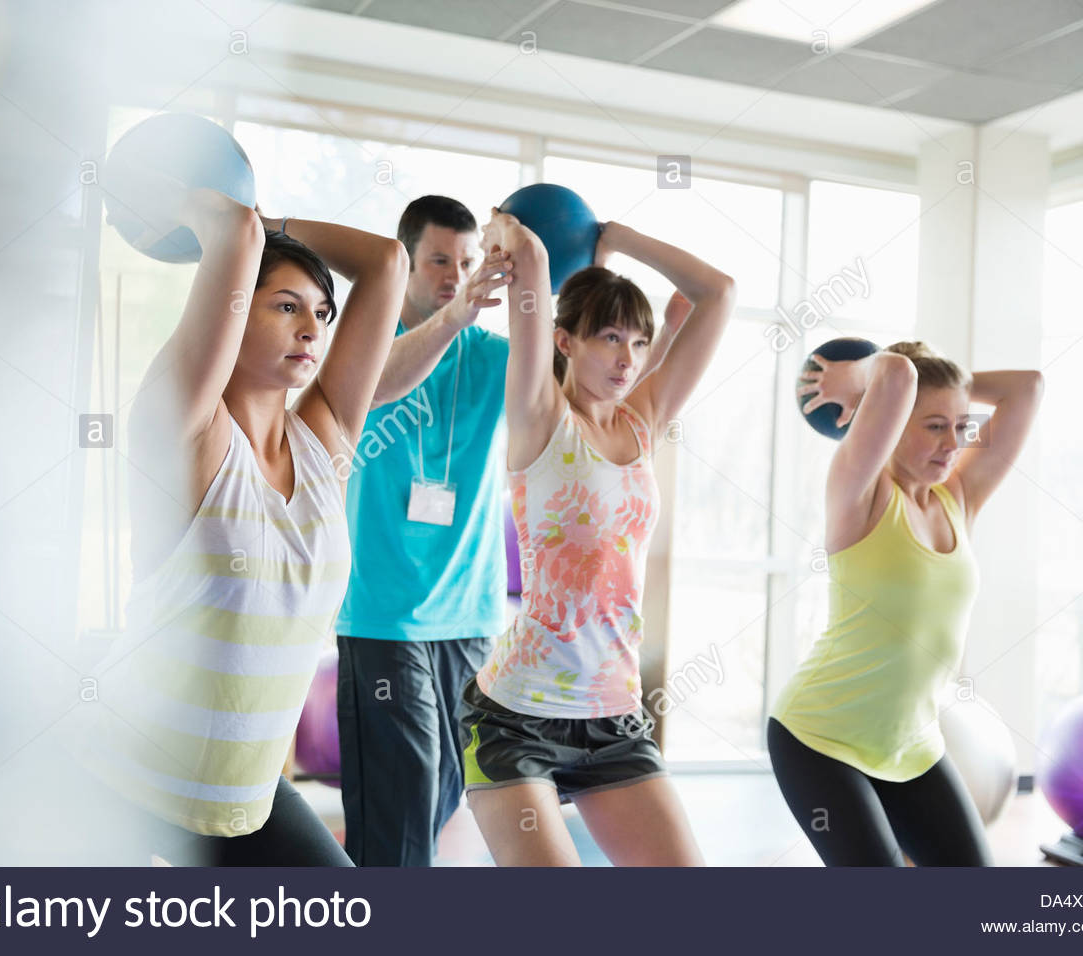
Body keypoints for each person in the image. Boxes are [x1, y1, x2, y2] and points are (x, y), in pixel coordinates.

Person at [85, 180, 408, 866]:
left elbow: (387, 263)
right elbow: (232, 231)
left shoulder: (326, 445)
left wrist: (275, 225)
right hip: (121, 789)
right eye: (286, 306)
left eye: (322, 312)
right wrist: (194, 204)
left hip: (246, 801)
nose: (313, 328)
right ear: (232, 315)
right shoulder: (185, 431)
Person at [457, 209, 736, 866]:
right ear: (565, 342)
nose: (626, 358)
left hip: (615, 717)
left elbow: (718, 293)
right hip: (514, 718)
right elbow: (526, 247)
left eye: (639, 343)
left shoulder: (644, 422)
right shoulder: (539, 415)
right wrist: (503, 231)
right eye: (610, 338)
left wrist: (620, 240)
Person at [769, 342, 1044, 866]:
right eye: (934, 425)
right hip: (820, 740)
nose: (952, 442)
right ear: (891, 420)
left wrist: (953, 388)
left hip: (913, 746)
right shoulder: (860, 493)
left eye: (962, 425)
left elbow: (1027, 387)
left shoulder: (958, 498)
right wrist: (858, 377)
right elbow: (894, 374)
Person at [334, 195, 513, 867]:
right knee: (400, 800)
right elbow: (373, 383)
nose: (454, 272)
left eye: (466, 261)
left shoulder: (494, 357)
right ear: (406, 262)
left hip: (468, 616)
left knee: (442, 794)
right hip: (384, 613)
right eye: (439, 259)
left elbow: (564, 370)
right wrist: (458, 310)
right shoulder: (369, 339)